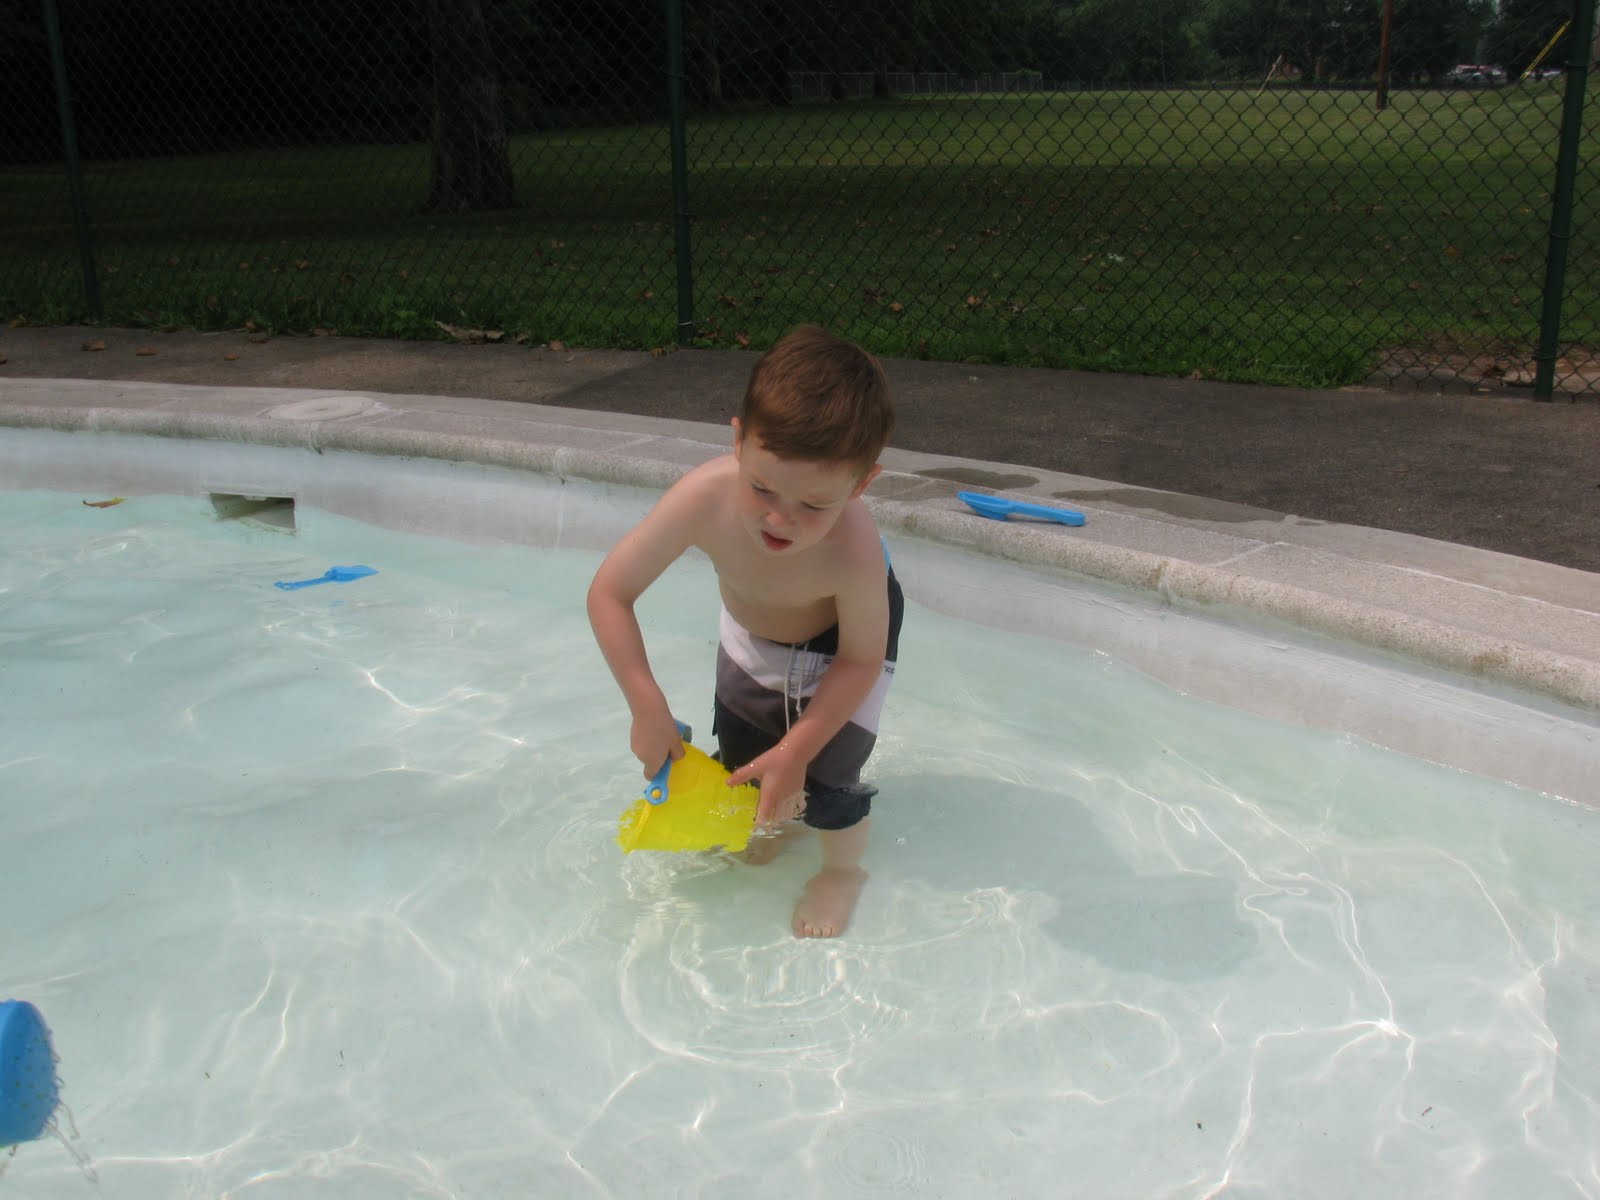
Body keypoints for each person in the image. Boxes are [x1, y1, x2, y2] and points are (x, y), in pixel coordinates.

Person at [588, 325, 903, 938]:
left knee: (828, 775)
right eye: (761, 487)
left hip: (842, 644)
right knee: (743, 753)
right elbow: (610, 592)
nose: (780, 518)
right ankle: (770, 822)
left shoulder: (854, 550)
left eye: (815, 505)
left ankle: (842, 871)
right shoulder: (701, 499)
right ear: (737, 442)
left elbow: (861, 662)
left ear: (861, 484)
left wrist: (798, 748)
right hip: (752, 624)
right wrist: (645, 705)